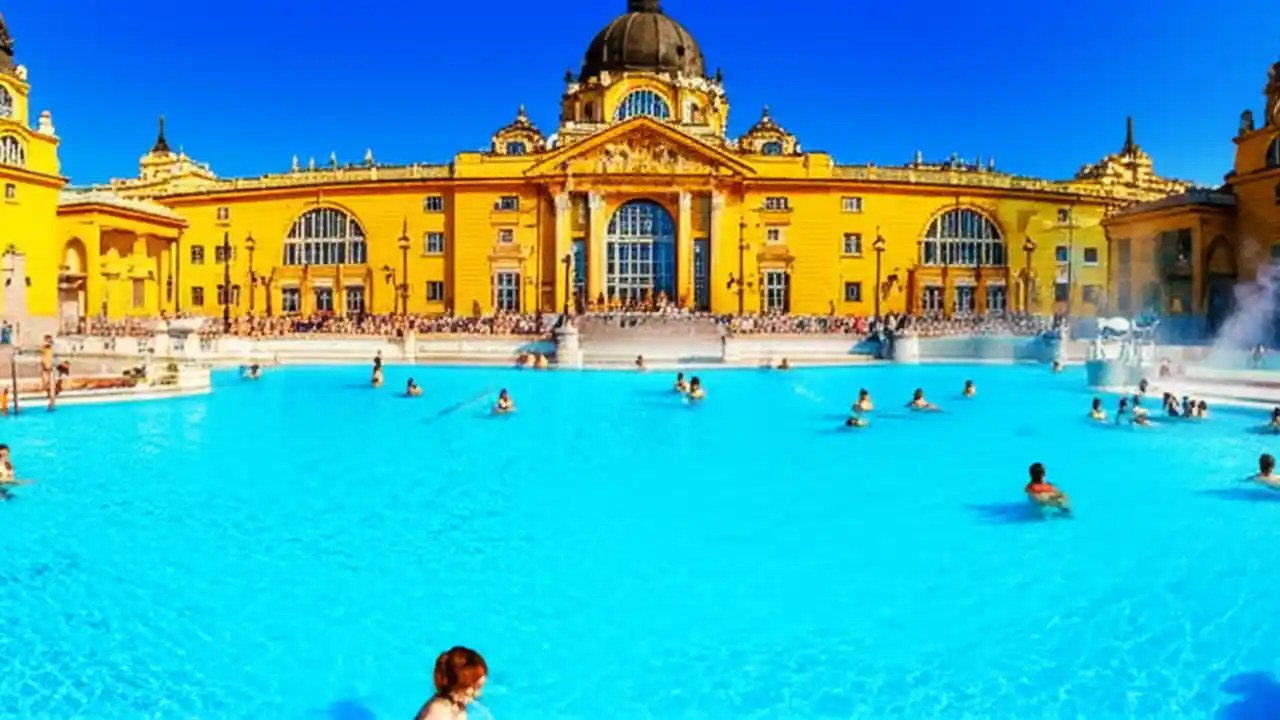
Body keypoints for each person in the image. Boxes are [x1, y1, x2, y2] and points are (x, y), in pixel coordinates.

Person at [415, 646, 488, 720]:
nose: (479, 693)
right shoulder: (439, 711)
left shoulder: (459, 707)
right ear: (460, 686)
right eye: (476, 687)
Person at [40, 335, 55, 410]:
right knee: (46, 384)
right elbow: (42, 356)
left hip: (50, 368)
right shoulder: (44, 347)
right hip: (45, 368)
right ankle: (50, 399)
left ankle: (52, 402)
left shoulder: (51, 348)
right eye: (48, 340)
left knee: (51, 385)